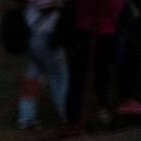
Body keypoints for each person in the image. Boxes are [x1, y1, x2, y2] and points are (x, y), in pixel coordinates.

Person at [66, 0, 126, 125]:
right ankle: (91, 111)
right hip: (98, 31)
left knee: (88, 74)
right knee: (97, 73)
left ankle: (82, 113)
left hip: (92, 30)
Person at [17, 0, 69, 130]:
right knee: (59, 75)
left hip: (32, 33)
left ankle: (26, 118)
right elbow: (45, 5)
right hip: (44, 35)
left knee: (32, 75)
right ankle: (66, 114)